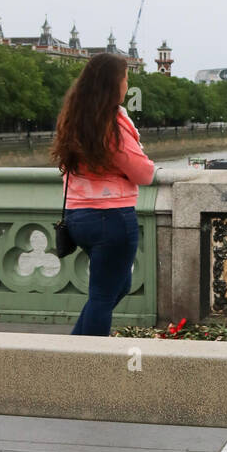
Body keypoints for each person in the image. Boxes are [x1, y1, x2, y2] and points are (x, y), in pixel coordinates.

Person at [51, 52, 155, 336]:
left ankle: (74, 353)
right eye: (125, 79)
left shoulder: (74, 118)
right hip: (111, 218)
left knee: (116, 287)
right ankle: (86, 364)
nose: (126, 85)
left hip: (77, 217)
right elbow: (144, 173)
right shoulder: (113, 124)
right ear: (114, 84)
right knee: (102, 297)